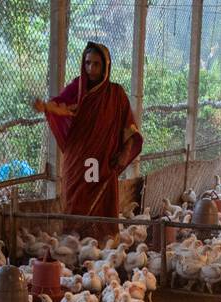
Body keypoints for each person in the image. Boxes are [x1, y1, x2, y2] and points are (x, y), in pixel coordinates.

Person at [33, 42, 143, 239]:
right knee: (76, 198)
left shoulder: (116, 94)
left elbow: (129, 129)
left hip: (102, 160)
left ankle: (102, 243)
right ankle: (75, 243)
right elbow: (60, 105)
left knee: (101, 200)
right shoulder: (78, 87)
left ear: (106, 67)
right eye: (87, 63)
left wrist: (123, 155)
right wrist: (46, 107)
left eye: (96, 64)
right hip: (78, 159)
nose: (91, 69)